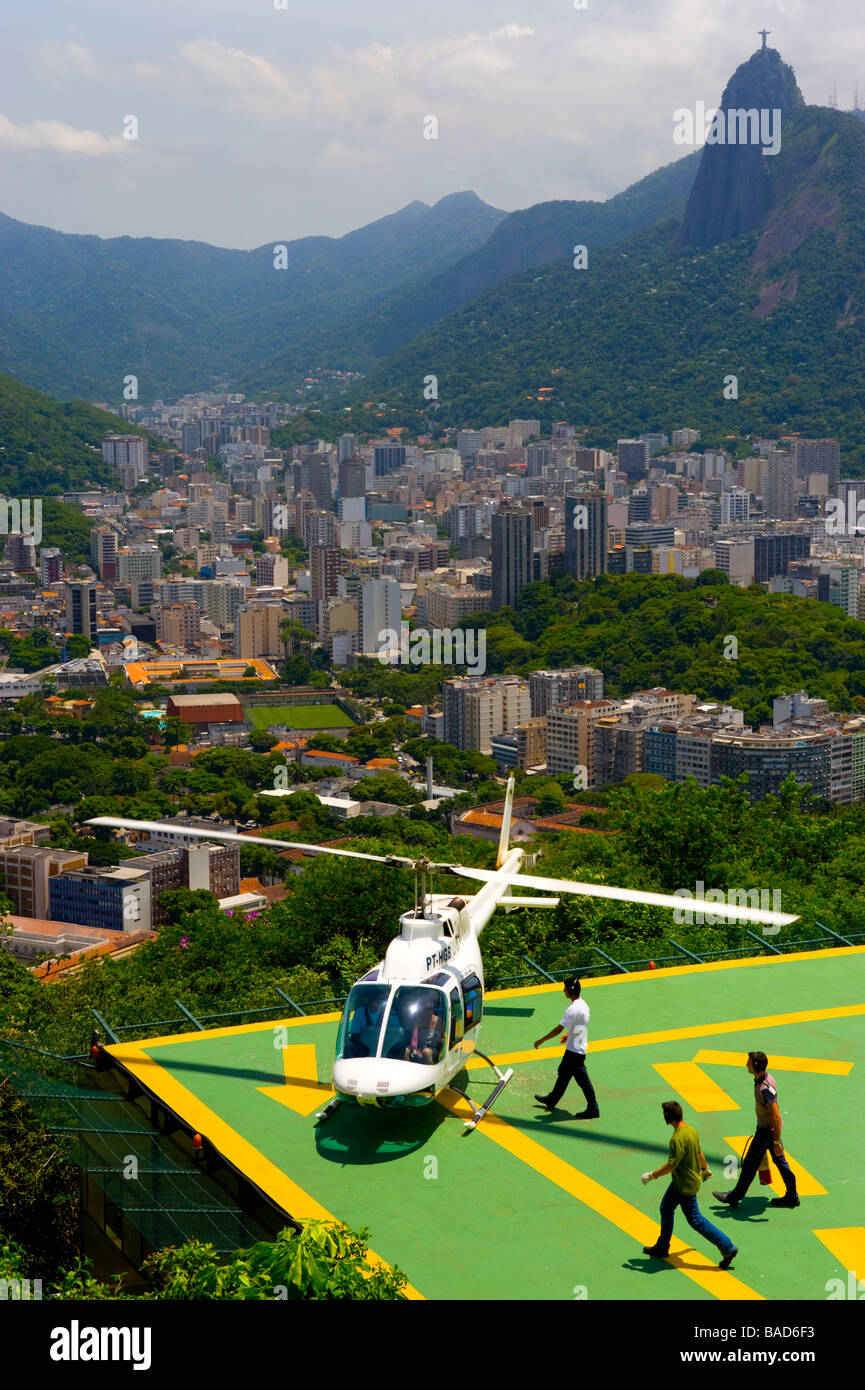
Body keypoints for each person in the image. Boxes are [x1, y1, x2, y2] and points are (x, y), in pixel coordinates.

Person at [641, 1101, 738, 1269]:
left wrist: (652, 1176)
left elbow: (671, 1165)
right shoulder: (691, 1130)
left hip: (683, 1186)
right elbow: (699, 1153)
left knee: (695, 1220)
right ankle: (662, 1246)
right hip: (689, 1181)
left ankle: (727, 1246)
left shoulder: (676, 1139)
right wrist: (705, 1169)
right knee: (666, 1208)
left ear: (667, 1118)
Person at [712, 1050, 800, 1209]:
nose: (746, 1064)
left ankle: (733, 1197)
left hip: (766, 1131)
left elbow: (776, 1116)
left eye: (749, 1063)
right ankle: (792, 1196)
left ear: (756, 1066)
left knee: (750, 1165)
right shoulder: (767, 1079)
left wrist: (774, 1141)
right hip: (770, 1131)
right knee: (780, 1162)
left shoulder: (764, 1089)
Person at [532, 976, 599, 1119]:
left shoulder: (572, 1009)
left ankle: (593, 1109)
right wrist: (569, 1034)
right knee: (563, 1073)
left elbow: (557, 1029)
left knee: (583, 1081)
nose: (563, 991)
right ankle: (552, 1099)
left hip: (575, 1052)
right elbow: (580, 1024)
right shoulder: (583, 1005)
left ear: (570, 991)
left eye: (565, 989)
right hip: (576, 1048)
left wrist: (541, 1040)